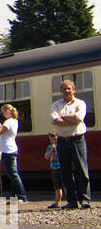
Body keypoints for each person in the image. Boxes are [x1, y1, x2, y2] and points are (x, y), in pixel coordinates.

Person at [51, 78, 91, 210]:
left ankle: (84, 200)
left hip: (77, 139)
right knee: (65, 172)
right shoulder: (55, 105)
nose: (67, 91)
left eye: (69, 88)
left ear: (74, 90)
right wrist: (71, 119)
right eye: (64, 89)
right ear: (61, 91)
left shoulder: (81, 103)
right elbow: (54, 119)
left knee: (82, 171)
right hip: (62, 140)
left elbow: (79, 118)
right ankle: (72, 201)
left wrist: (62, 118)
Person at [0, 104, 28, 202]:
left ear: (9, 111)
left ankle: (22, 196)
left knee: (14, 175)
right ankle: (16, 196)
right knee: (13, 175)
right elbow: (4, 131)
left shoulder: (8, 122)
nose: (3, 114)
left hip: (8, 150)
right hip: (11, 149)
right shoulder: (14, 121)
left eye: (4, 112)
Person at [43, 132, 64, 209]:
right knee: (57, 187)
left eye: (55, 139)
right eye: (51, 140)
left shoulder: (61, 146)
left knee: (65, 185)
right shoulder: (49, 147)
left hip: (61, 168)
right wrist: (51, 150)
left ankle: (70, 200)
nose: (53, 141)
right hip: (54, 168)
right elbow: (46, 157)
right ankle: (57, 202)